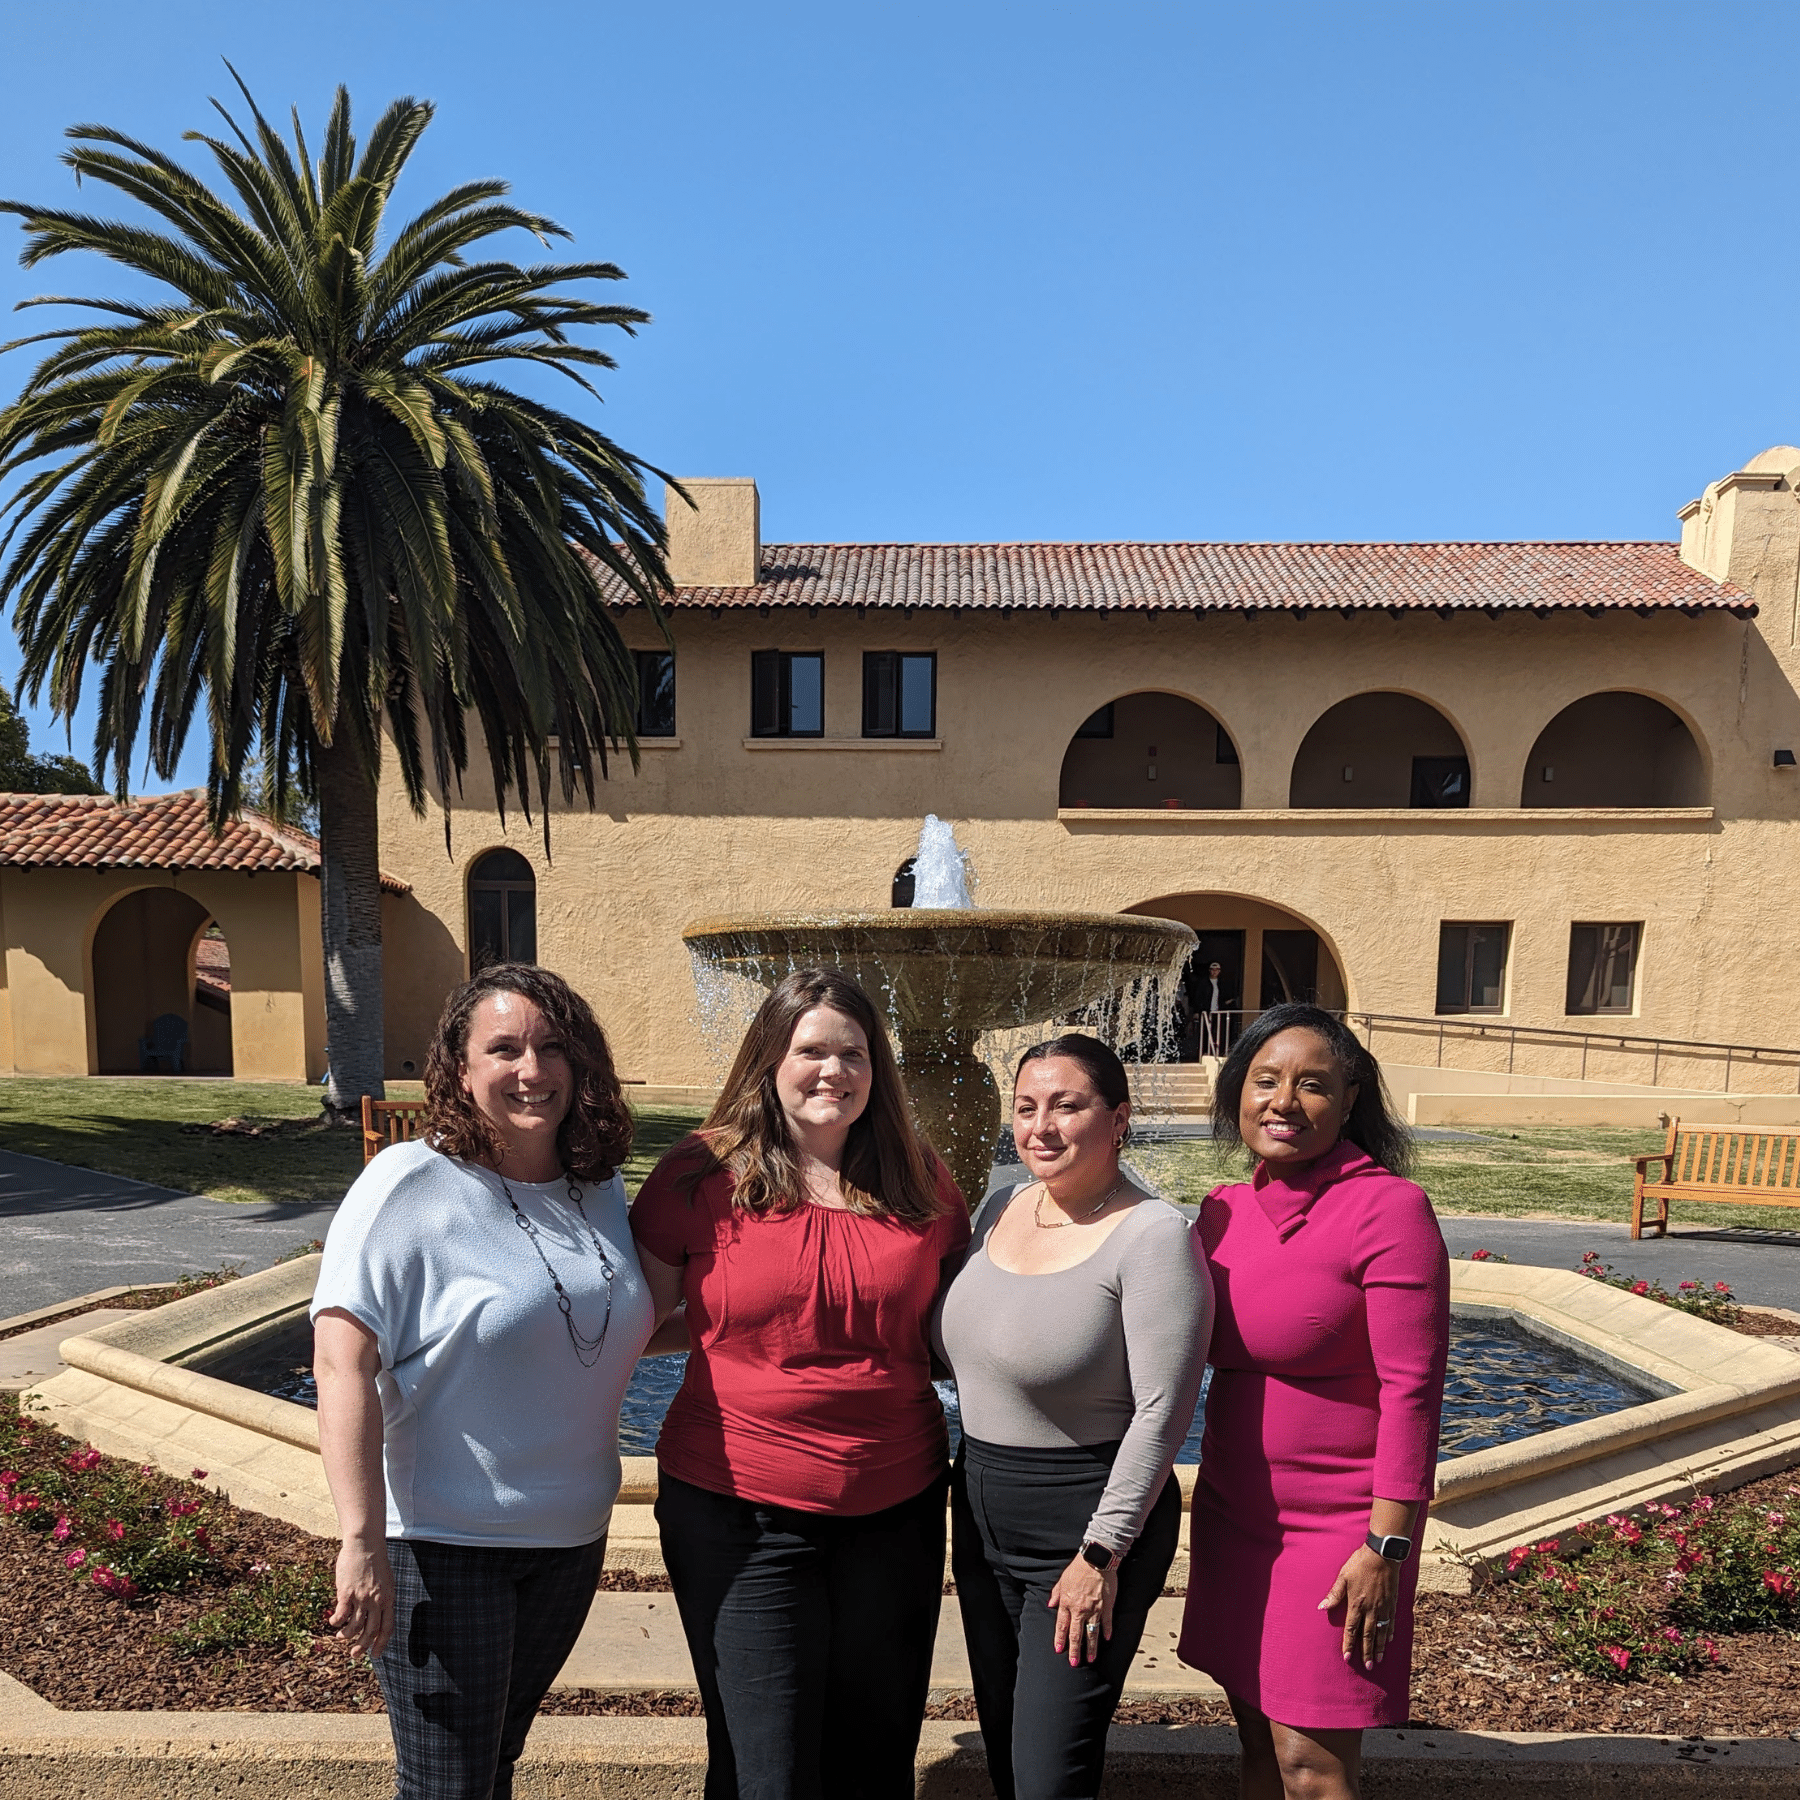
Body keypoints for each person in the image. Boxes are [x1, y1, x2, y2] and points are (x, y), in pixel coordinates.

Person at [312, 964, 659, 1800]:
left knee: (492, 1763)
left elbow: (603, 1328)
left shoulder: (598, 1187)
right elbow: (340, 1362)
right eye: (503, 1049)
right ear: (460, 1070)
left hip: (569, 1543)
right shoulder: (408, 1184)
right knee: (448, 1786)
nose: (531, 1070)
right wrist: (360, 1540)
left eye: (552, 1048)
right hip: (444, 1545)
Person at [629, 967, 970, 1800]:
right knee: (765, 1770)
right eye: (811, 1050)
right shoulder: (698, 1176)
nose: (833, 1071)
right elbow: (635, 1324)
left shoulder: (919, 1178)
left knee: (875, 1761)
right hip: (737, 1509)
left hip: (897, 1508)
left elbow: (953, 1331)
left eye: (853, 1053)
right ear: (770, 1059)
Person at [1178, 1003, 1449, 1800]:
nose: (1284, 1102)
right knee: (1258, 1746)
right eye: (1265, 1080)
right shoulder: (1222, 1211)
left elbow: (1413, 1392)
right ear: (1237, 1091)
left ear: (1351, 1098)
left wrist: (1387, 1548)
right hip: (1234, 1515)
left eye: (1313, 1085)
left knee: (1313, 1767)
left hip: (1338, 1528)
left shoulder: (1388, 1209)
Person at [936, 1032, 1212, 1800]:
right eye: (1026, 1107)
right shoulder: (1003, 1206)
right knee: (1008, 1758)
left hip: (1084, 1528)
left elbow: (1164, 1410)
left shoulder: (1152, 1236)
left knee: (1049, 1777)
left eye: (1066, 1106)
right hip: (983, 1516)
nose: (1041, 1127)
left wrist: (1102, 1554)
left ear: (1118, 1119)